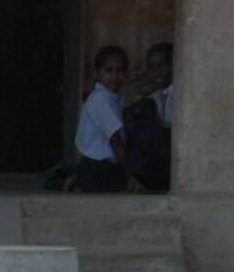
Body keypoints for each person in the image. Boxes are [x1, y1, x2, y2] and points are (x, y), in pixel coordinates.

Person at [73, 45, 130, 195]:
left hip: (94, 167)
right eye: (108, 70)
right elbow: (115, 141)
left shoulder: (108, 97)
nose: (115, 76)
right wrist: (130, 175)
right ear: (97, 73)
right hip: (99, 168)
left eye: (120, 70)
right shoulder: (102, 99)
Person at [123, 43, 173, 194]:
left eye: (162, 65)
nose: (157, 72)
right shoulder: (153, 94)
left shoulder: (180, 92)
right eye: (152, 67)